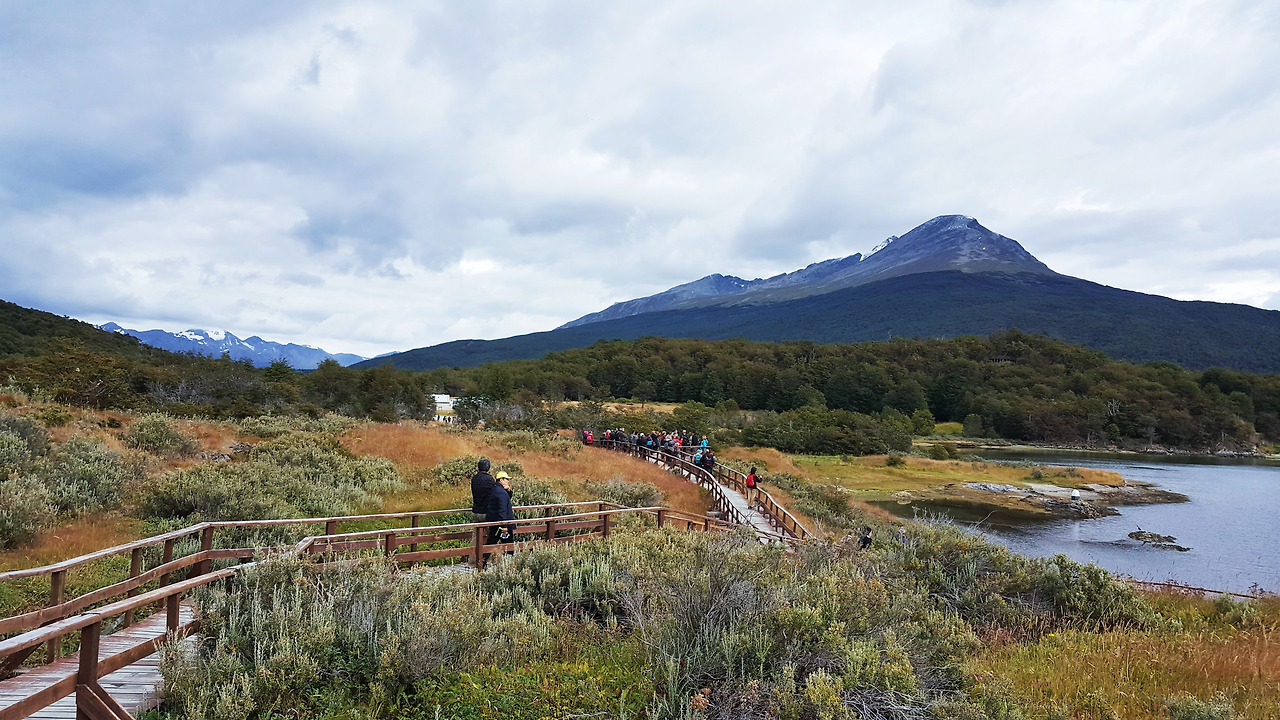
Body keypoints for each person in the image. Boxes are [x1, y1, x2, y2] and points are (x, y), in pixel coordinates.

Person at [486, 471, 516, 546]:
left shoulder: (495, 489)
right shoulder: (501, 492)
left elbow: (506, 499)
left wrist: (508, 491)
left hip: (495, 522)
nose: (508, 481)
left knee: (491, 543)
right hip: (501, 524)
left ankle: (484, 554)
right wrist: (504, 525)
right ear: (501, 480)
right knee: (509, 546)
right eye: (506, 479)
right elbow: (502, 509)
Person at [470, 458, 496, 523]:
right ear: (488, 469)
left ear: (478, 468)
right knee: (488, 529)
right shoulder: (490, 479)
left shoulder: (474, 478)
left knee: (477, 529)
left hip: (475, 511)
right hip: (486, 511)